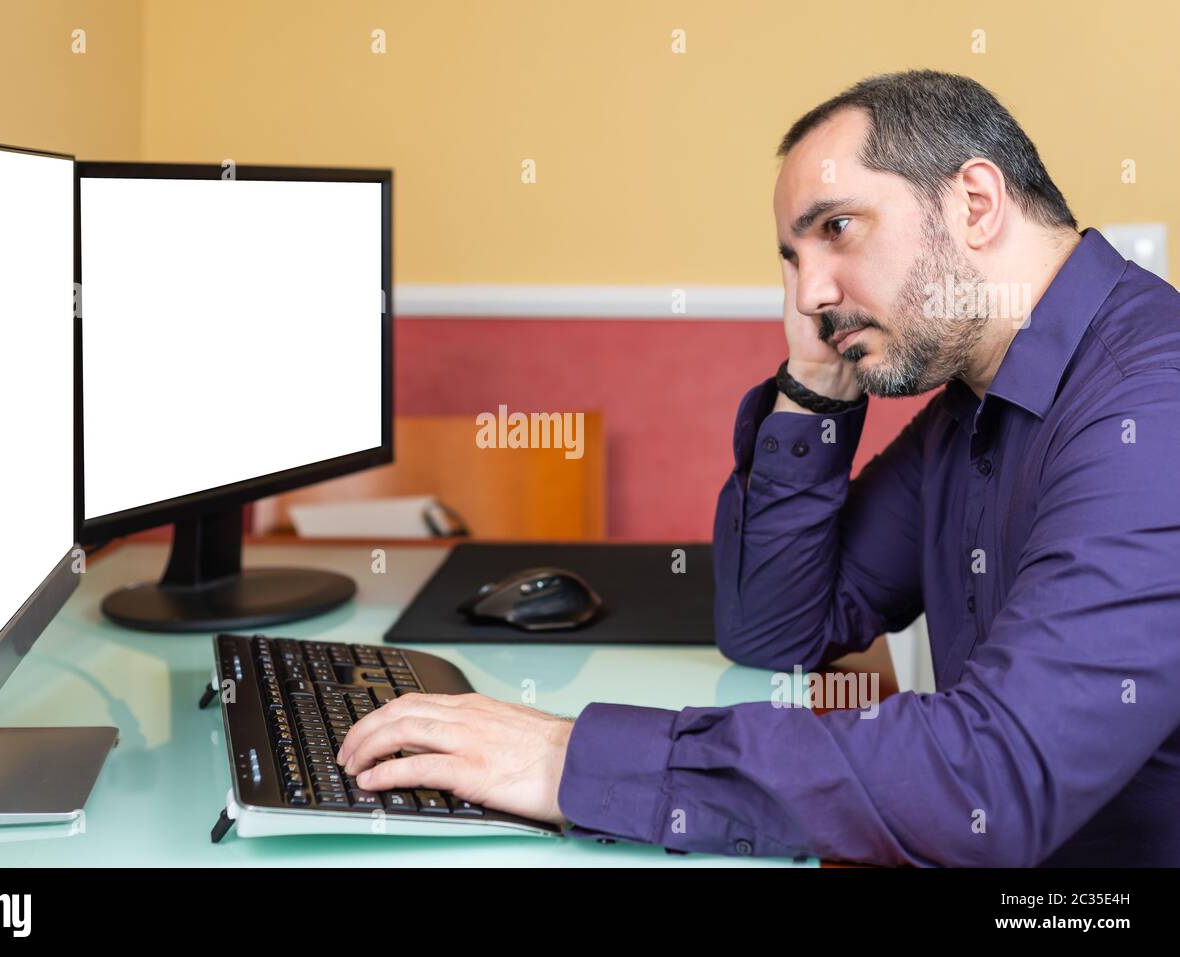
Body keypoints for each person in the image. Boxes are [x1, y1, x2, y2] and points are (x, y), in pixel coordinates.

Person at [336, 70, 1180, 866]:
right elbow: (778, 628)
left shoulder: (1151, 403)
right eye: (792, 257)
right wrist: (813, 389)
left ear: (975, 203)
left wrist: (568, 757)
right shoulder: (974, 402)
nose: (810, 293)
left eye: (836, 228)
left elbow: (990, 780)